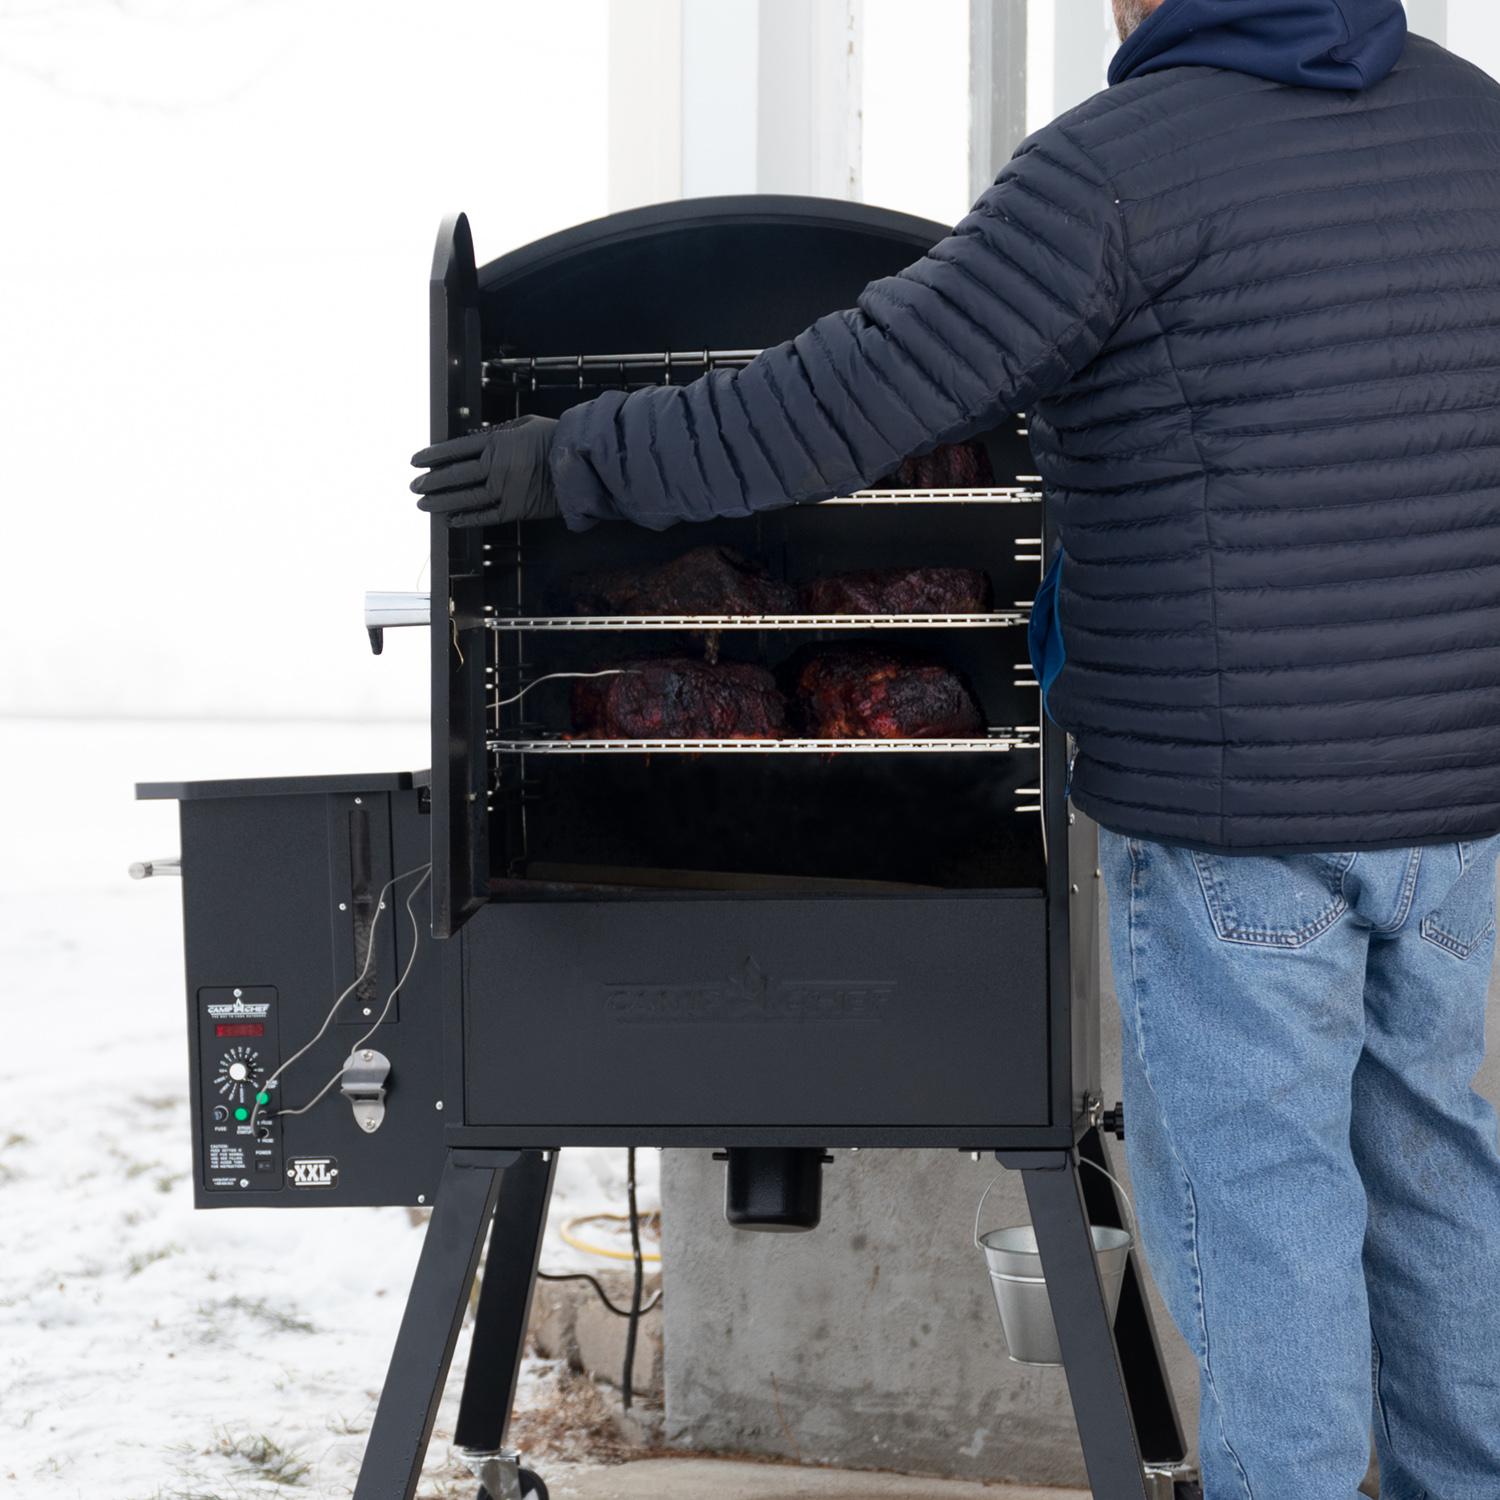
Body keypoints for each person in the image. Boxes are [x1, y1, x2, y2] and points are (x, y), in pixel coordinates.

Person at [410, 1, 1500, 1494]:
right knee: (1437, 1173)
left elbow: (847, 399)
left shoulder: (1124, 168)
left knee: (1260, 1203)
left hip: (1241, 812)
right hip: (1452, 804)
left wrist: (572, 460)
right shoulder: (1475, 126)